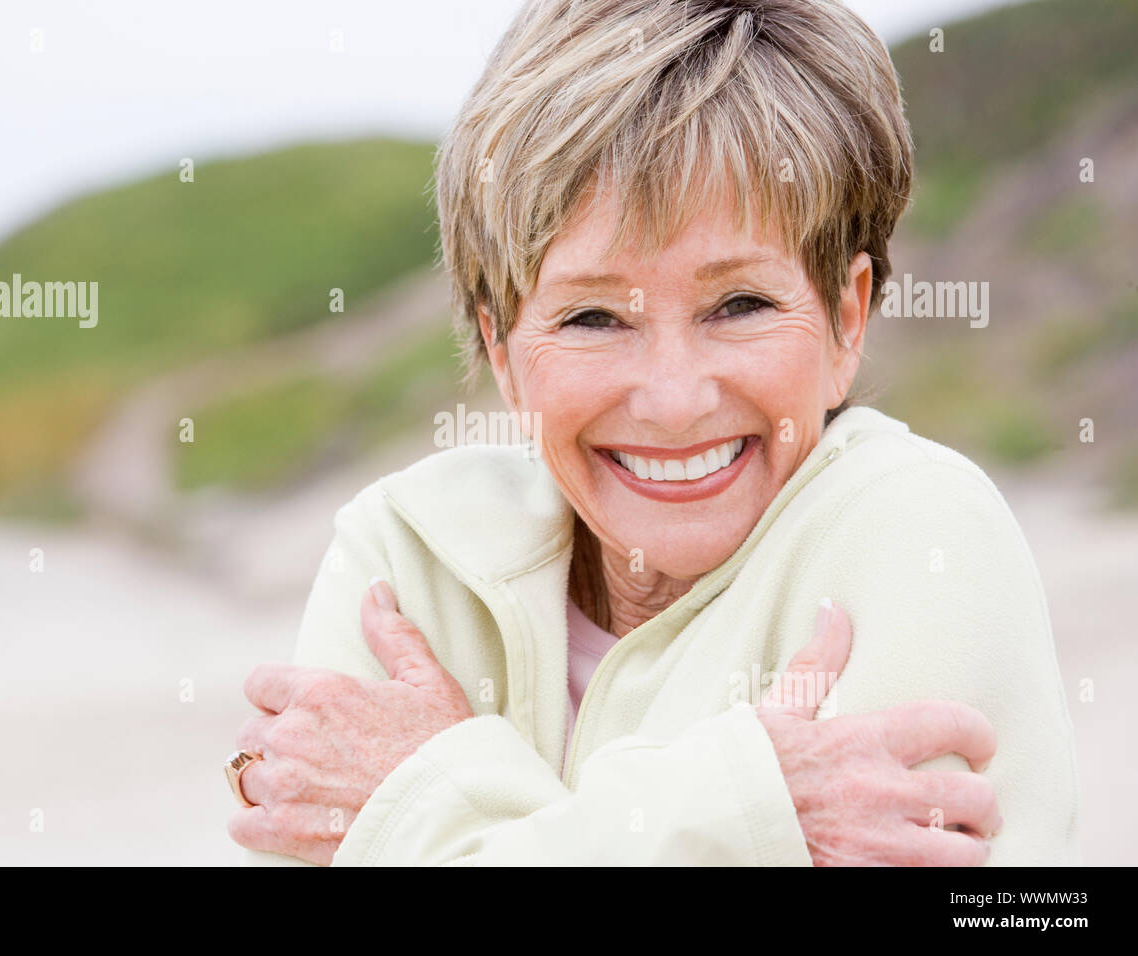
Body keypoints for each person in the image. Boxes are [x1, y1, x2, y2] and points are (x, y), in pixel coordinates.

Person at [227, 0, 1080, 866]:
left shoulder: (918, 530)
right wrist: (747, 818)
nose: (674, 402)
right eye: (594, 317)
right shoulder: (409, 557)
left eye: (739, 304)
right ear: (502, 350)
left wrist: (431, 798)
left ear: (846, 320)